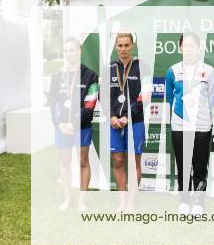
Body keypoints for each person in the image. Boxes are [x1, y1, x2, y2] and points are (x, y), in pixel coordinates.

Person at [165, 33, 214, 216]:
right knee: (183, 164)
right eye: (185, 46)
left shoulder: (208, 71)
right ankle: (184, 201)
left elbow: (210, 99)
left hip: (202, 126)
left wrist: (200, 115)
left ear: (198, 48)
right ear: (180, 48)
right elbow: (171, 97)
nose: (188, 49)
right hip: (180, 125)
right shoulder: (172, 71)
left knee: (200, 166)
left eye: (192, 46)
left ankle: (199, 203)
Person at [48, 38, 98, 211]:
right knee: (64, 161)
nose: (69, 54)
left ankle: (82, 200)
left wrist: (74, 124)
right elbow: (52, 101)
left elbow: (90, 104)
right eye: (66, 51)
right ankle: (67, 198)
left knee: (83, 161)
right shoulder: (57, 75)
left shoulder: (90, 75)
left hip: (81, 127)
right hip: (62, 128)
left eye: (72, 50)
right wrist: (59, 123)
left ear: (79, 50)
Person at [109, 32, 150, 212]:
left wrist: (128, 116)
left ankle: (132, 202)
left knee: (134, 163)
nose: (123, 49)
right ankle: (122, 201)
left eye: (126, 45)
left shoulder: (143, 67)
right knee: (118, 161)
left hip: (135, 122)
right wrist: (112, 116)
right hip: (114, 123)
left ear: (132, 46)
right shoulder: (109, 68)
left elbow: (145, 96)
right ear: (116, 47)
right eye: (120, 45)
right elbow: (104, 96)